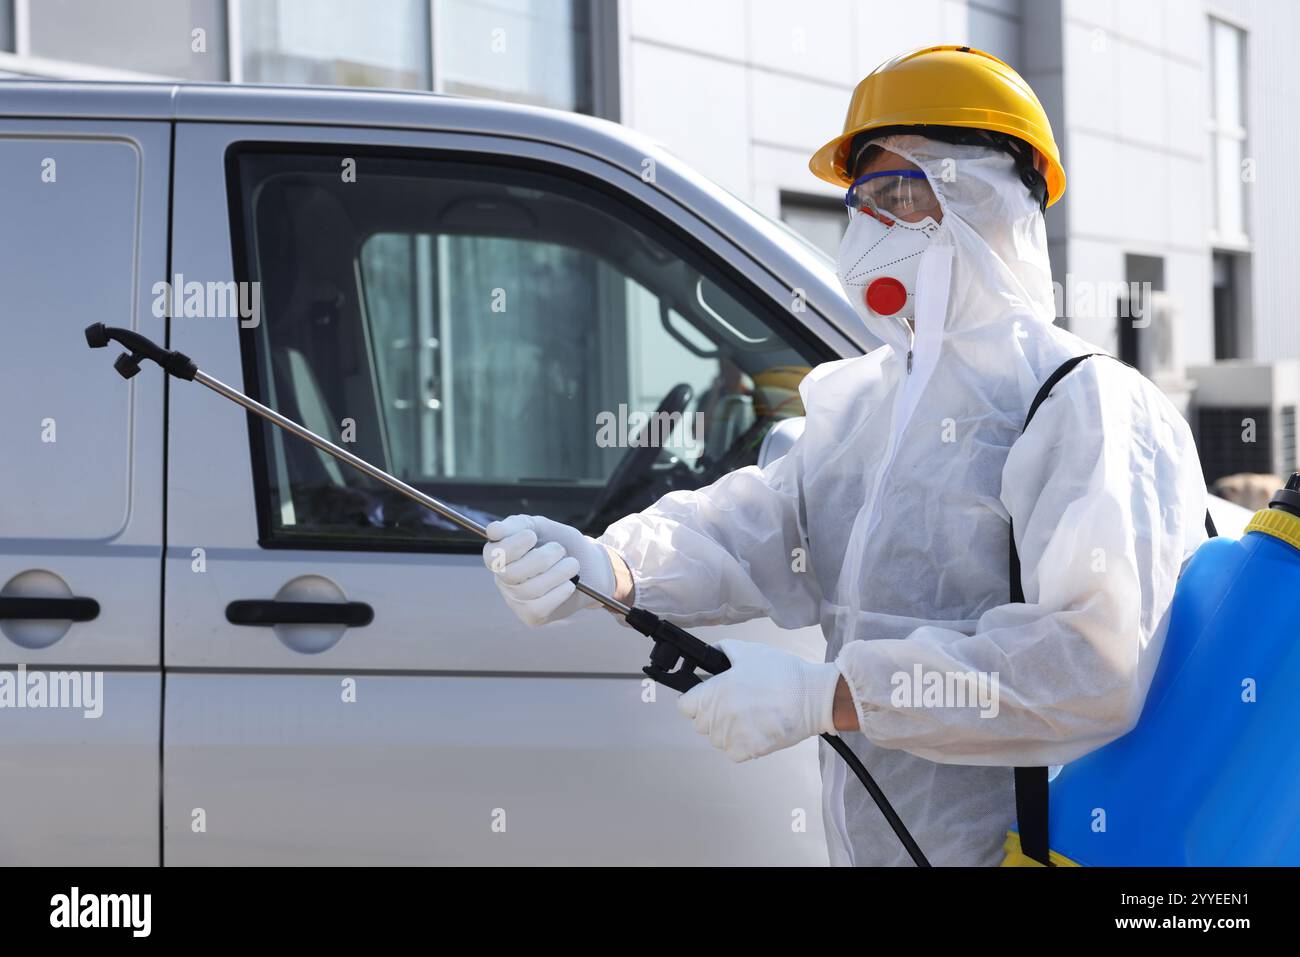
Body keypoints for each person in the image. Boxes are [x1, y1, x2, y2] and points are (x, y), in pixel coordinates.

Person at [480, 46, 1209, 866]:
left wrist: (829, 692)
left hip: (1032, 852)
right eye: (859, 202)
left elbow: (1090, 663)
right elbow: (757, 524)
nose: (869, 228)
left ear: (986, 200)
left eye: (897, 192)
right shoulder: (873, 405)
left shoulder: (1083, 403)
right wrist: (608, 563)